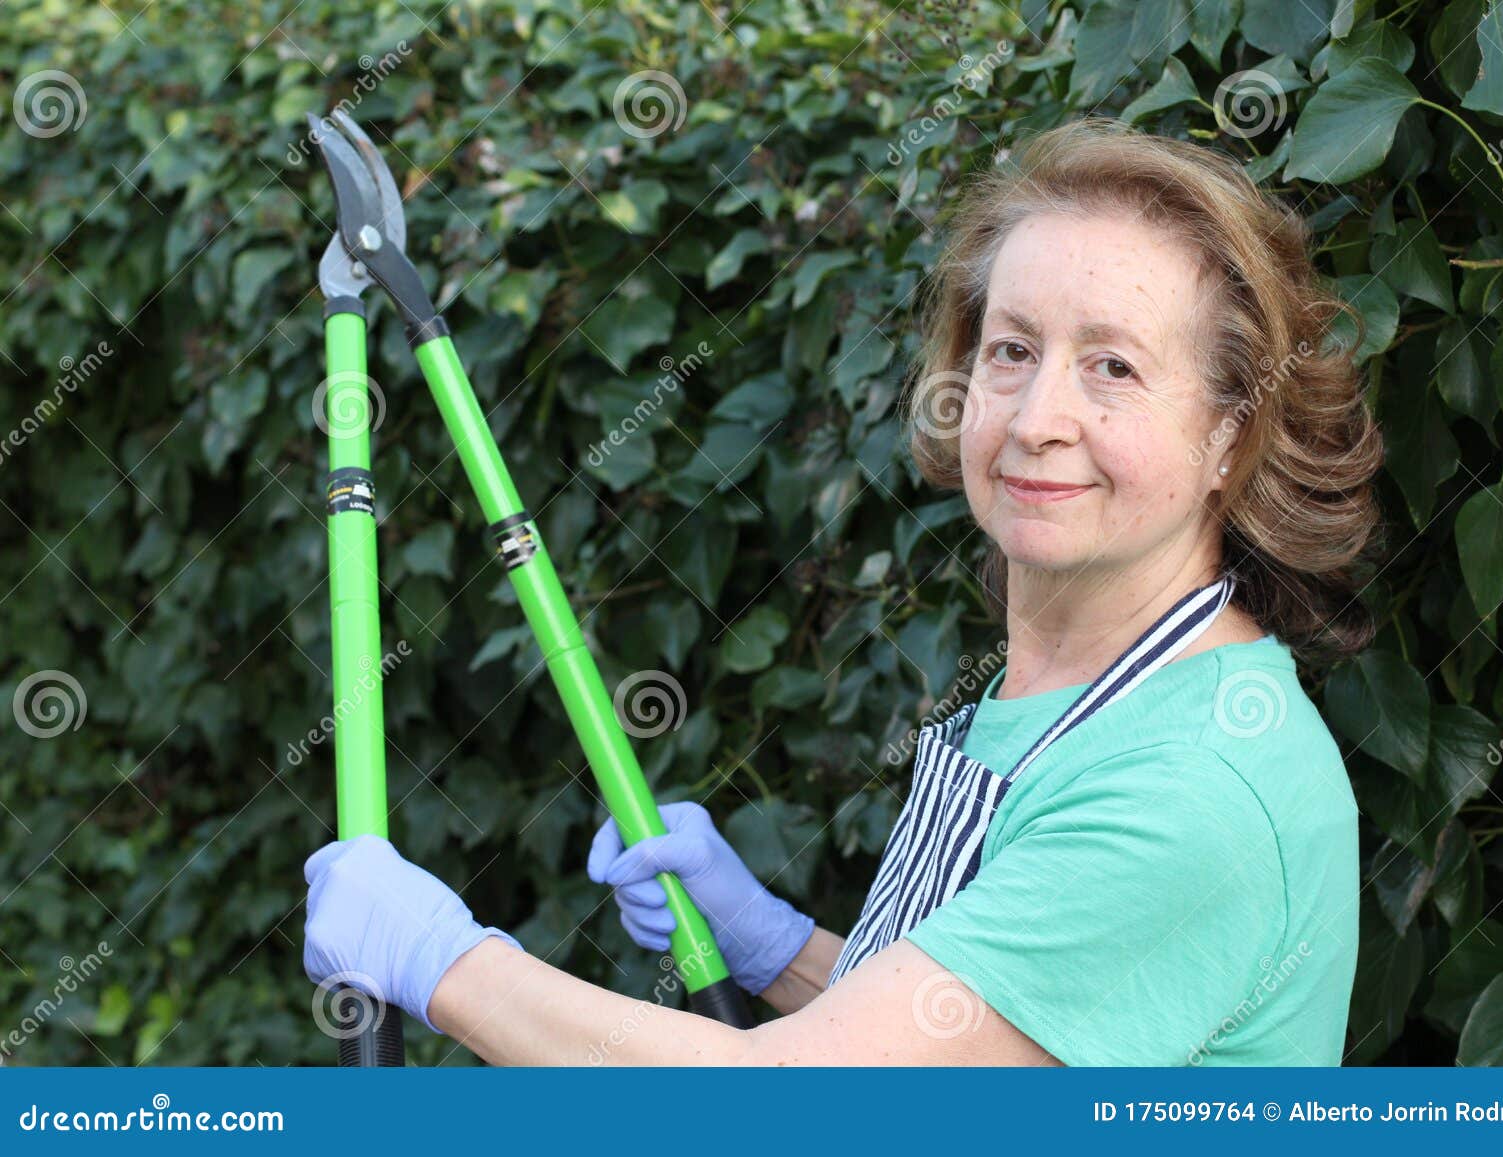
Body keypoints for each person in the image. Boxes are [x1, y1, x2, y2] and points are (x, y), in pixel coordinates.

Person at [303, 116, 1385, 1065]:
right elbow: (973, 1048)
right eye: (1011, 349)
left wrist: (448, 966)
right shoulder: (1066, 699)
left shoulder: (1192, 791)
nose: (1035, 416)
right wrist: (777, 947)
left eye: (1113, 366)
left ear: (1226, 434)